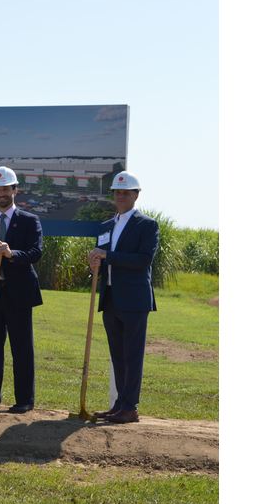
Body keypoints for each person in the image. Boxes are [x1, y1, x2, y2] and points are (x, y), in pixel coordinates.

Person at [87, 171, 159, 424]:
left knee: (132, 355)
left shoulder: (147, 225)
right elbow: (102, 258)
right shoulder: (107, 226)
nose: (120, 196)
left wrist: (107, 256)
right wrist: (95, 262)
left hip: (134, 300)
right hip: (110, 298)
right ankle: (119, 404)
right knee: (117, 355)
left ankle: (131, 406)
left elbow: (143, 260)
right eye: (117, 192)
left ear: (136, 195)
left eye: (125, 192)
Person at [0, 166, 43, 413]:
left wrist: (12, 254)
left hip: (20, 293)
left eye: (6, 189)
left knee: (21, 347)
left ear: (15, 190)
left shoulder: (30, 221)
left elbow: (36, 252)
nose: (1, 193)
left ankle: (25, 399)